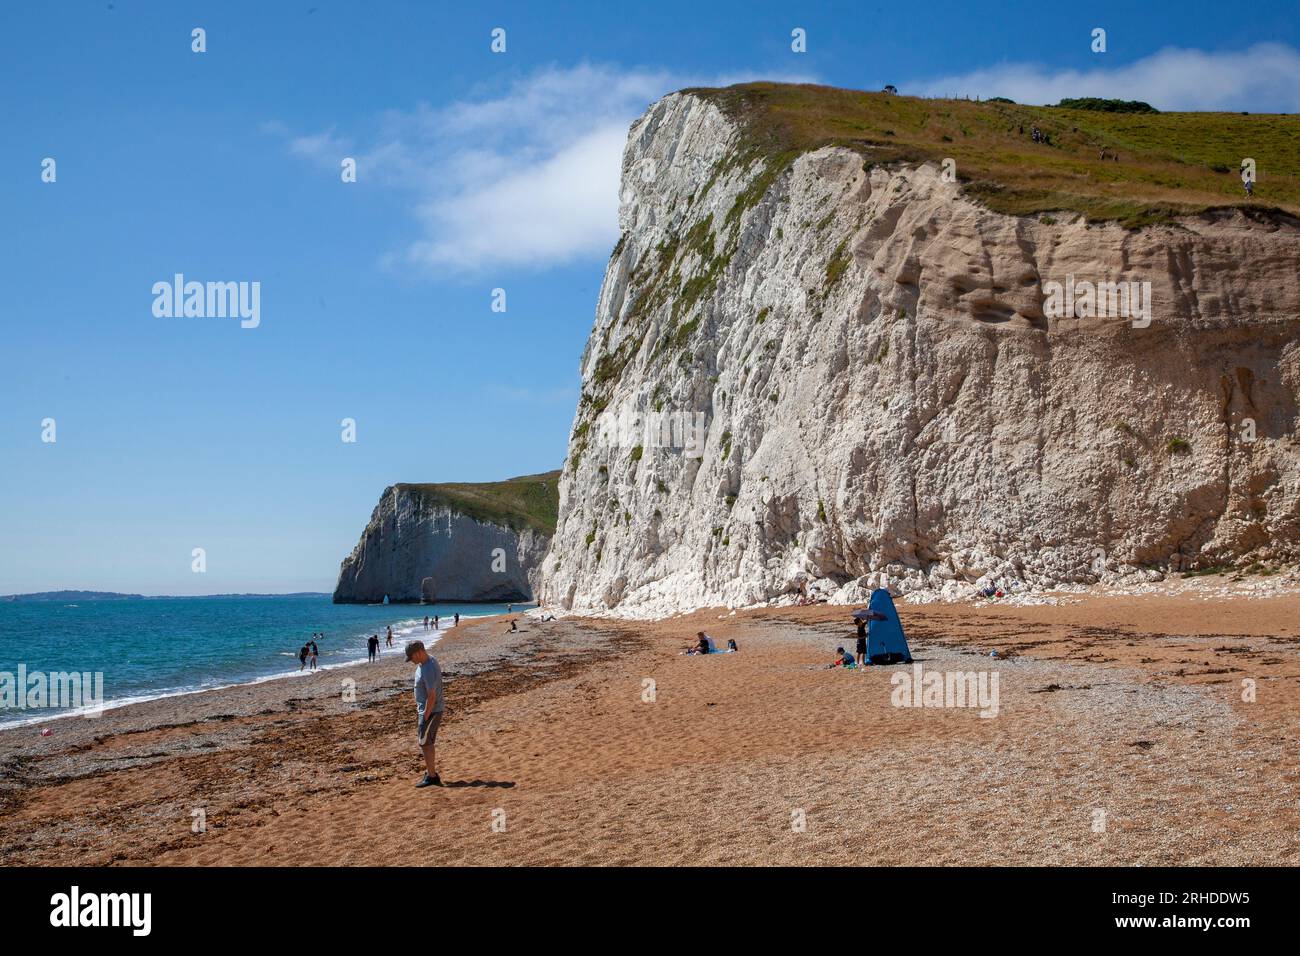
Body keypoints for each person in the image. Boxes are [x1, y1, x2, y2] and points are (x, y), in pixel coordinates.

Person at [406, 640, 445, 788]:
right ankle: (430, 772)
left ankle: (432, 776)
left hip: (431, 711)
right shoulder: (428, 662)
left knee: (425, 743)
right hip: (429, 710)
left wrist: (425, 716)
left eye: (412, 657)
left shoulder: (428, 668)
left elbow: (432, 695)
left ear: (419, 652)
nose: (411, 661)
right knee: (426, 743)